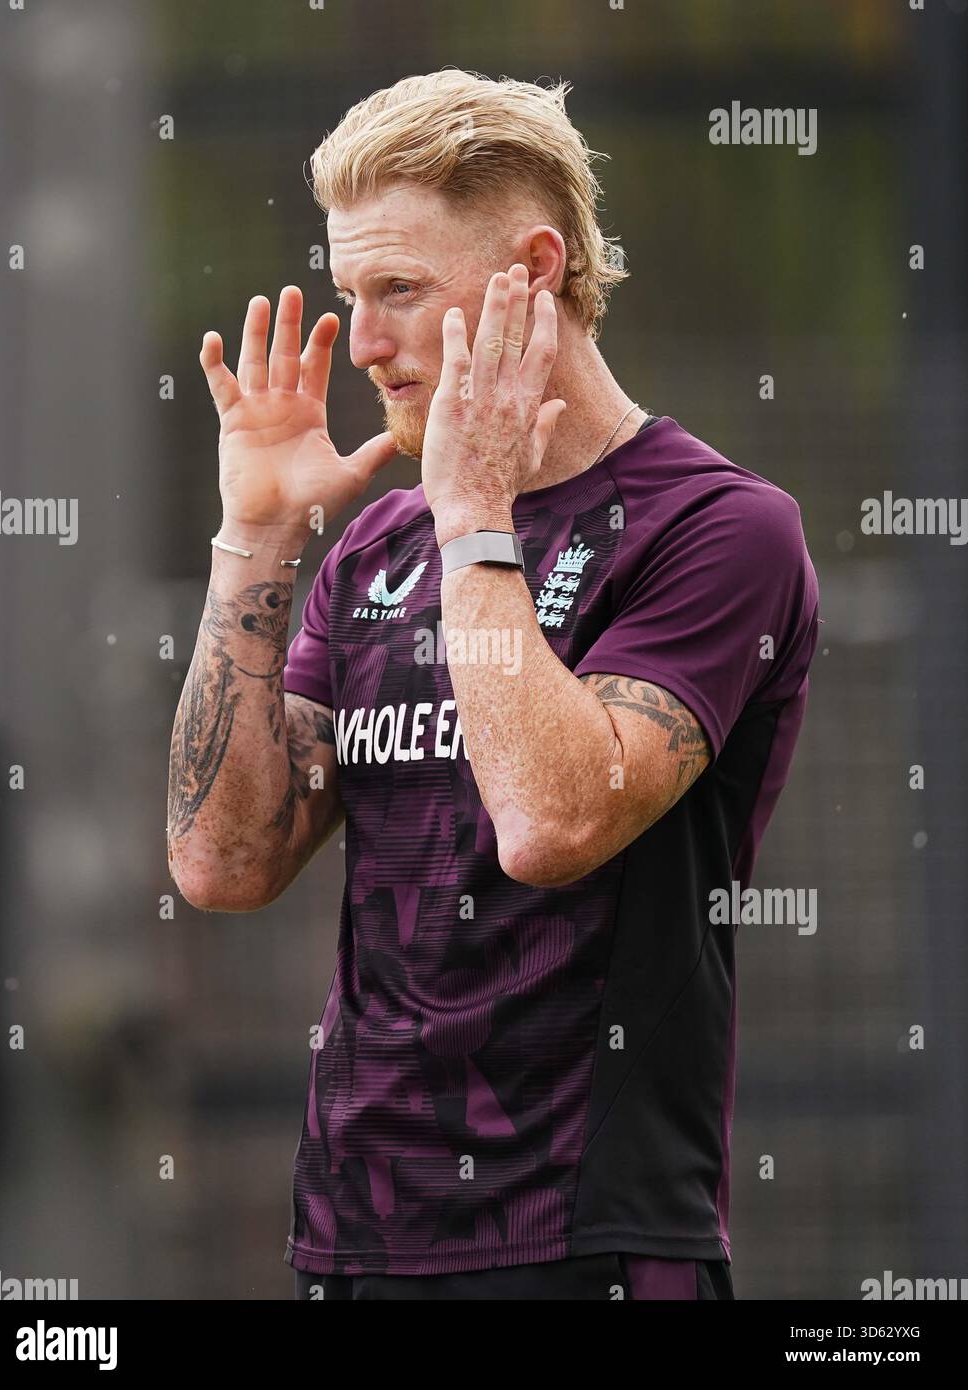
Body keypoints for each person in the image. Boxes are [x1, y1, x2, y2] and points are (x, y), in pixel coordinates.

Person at [168, 69, 819, 1302]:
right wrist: (252, 540)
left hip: (585, 1243)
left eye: (399, 290)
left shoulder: (718, 529)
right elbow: (224, 862)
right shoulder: (373, 546)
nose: (362, 342)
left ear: (534, 268)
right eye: (353, 294)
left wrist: (474, 517)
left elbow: (550, 821)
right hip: (353, 1242)